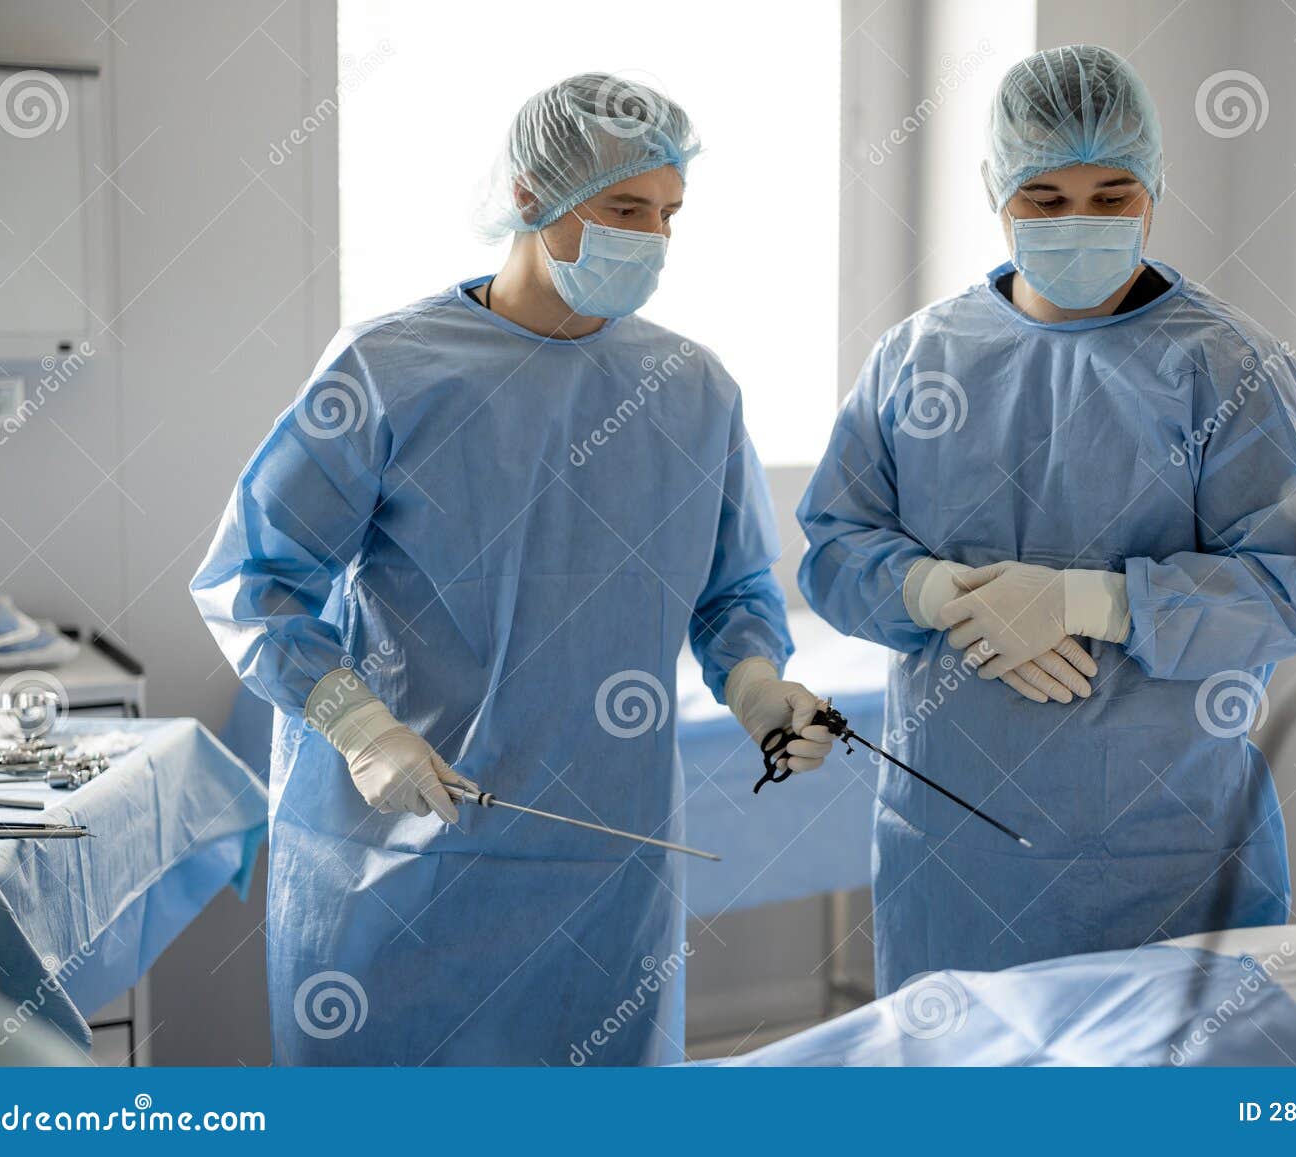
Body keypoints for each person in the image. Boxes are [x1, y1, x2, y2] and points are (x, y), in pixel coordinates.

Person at [191, 73, 832, 1065]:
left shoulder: (692, 386)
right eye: (626, 208)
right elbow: (254, 578)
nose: (652, 239)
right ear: (531, 196)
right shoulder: (390, 368)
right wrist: (359, 729)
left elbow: (732, 588)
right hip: (402, 854)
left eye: (668, 214)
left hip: (604, 863)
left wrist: (756, 684)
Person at [797, 45, 1296, 995]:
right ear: (997, 192)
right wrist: (937, 592)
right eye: (1046, 199)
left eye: (1112, 194)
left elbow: (1290, 591)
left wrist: (1093, 600)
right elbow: (836, 544)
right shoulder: (919, 357)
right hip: (956, 857)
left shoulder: (1228, 367)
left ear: (1155, 188)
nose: (1080, 220)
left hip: (1167, 859)